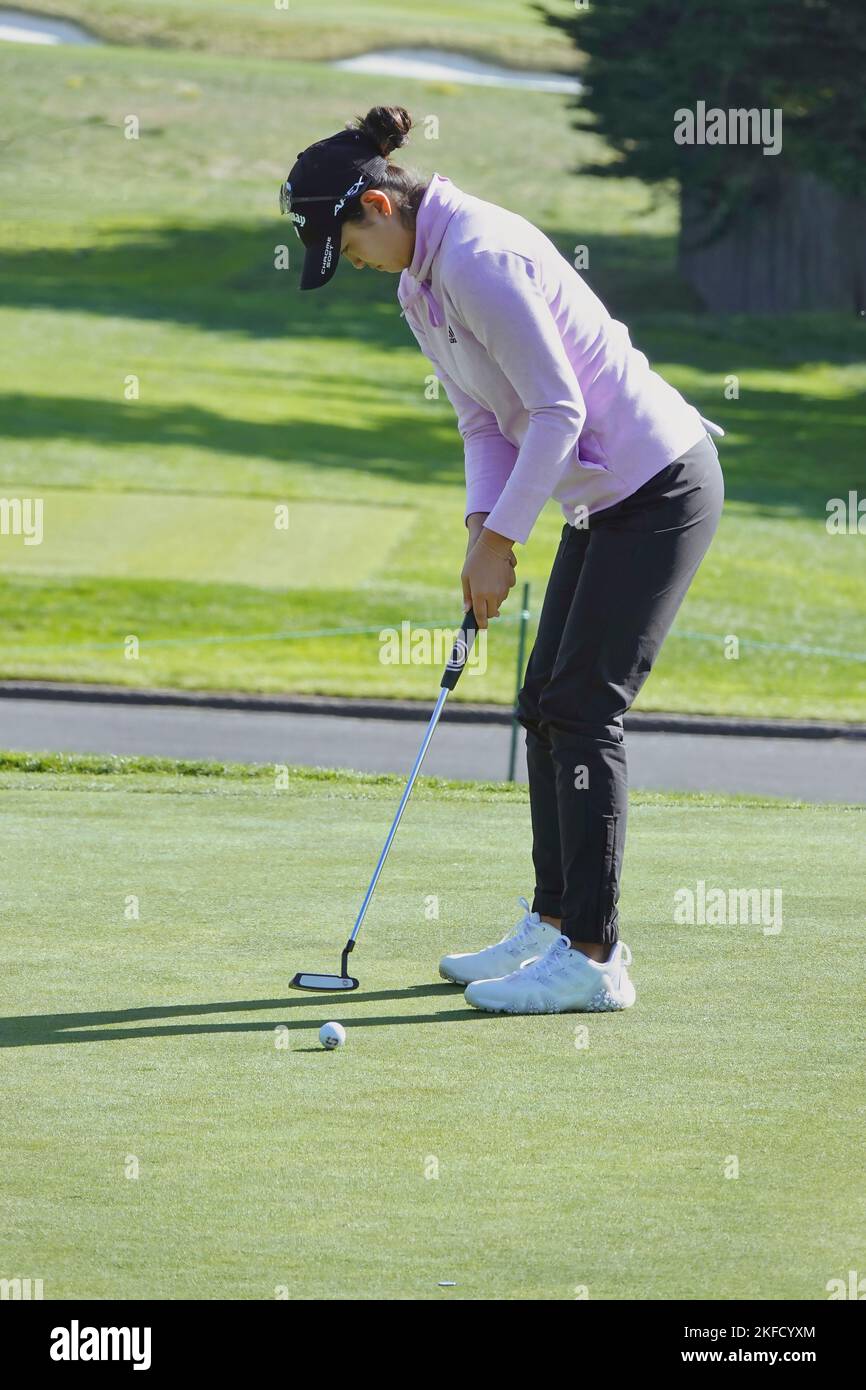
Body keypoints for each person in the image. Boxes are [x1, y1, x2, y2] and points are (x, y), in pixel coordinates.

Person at [281, 104, 724, 1015]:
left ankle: (596, 958)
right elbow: (485, 418)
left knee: (582, 706)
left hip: (658, 486)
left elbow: (558, 410)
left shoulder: (479, 257)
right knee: (541, 703)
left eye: (348, 243)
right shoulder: (420, 281)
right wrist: (482, 522)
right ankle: (553, 921)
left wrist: (504, 540)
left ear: (378, 204)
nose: (354, 264)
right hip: (600, 499)